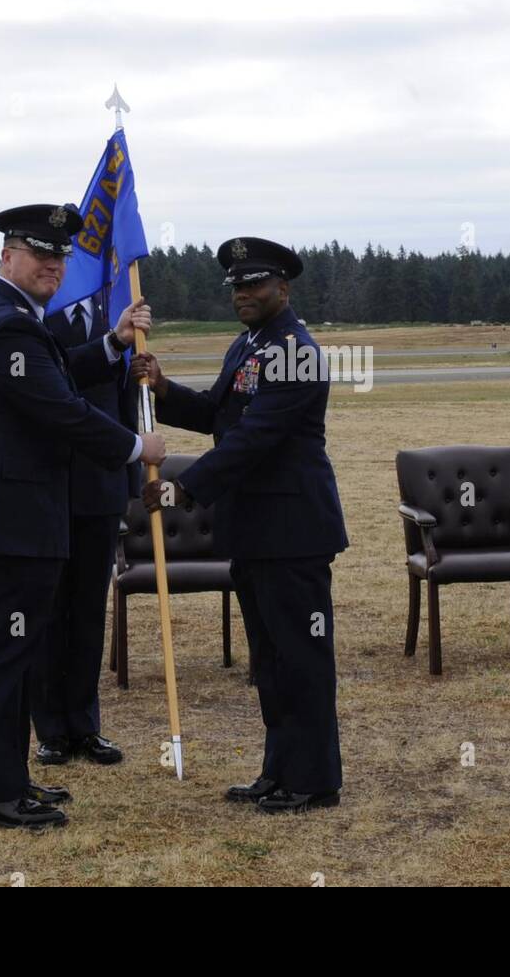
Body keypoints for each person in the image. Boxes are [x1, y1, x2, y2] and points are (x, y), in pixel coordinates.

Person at [0, 202, 165, 829]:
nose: (52, 265)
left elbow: (59, 372)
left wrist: (114, 342)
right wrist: (135, 446)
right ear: (8, 255)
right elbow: (63, 410)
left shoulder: (12, 318)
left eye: (59, 256)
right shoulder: (7, 325)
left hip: (17, 517)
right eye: (40, 254)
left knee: (13, 653)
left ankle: (8, 780)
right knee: (5, 656)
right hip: (12, 521)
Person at [130, 236, 347, 813]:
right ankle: (278, 771)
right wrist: (164, 389)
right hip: (254, 529)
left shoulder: (296, 352)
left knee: (302, 658)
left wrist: (184, 487)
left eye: (254, 284)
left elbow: (254, 440)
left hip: (294, 530)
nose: (243, 294)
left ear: (283, 287)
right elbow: (219, 417)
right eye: (236, 286)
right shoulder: (249, 345)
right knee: (270, 661)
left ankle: (315, 779)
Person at [32, 289, 138, 770]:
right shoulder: (36, 320)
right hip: (51, 484)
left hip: (100, 486)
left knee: (89, 611)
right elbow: (57, 378)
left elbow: (125, 404)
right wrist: (112, 344)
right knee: (50, 611)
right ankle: (50, 730)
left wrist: (130, 486)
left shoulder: (112, 312)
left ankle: (85, 724)